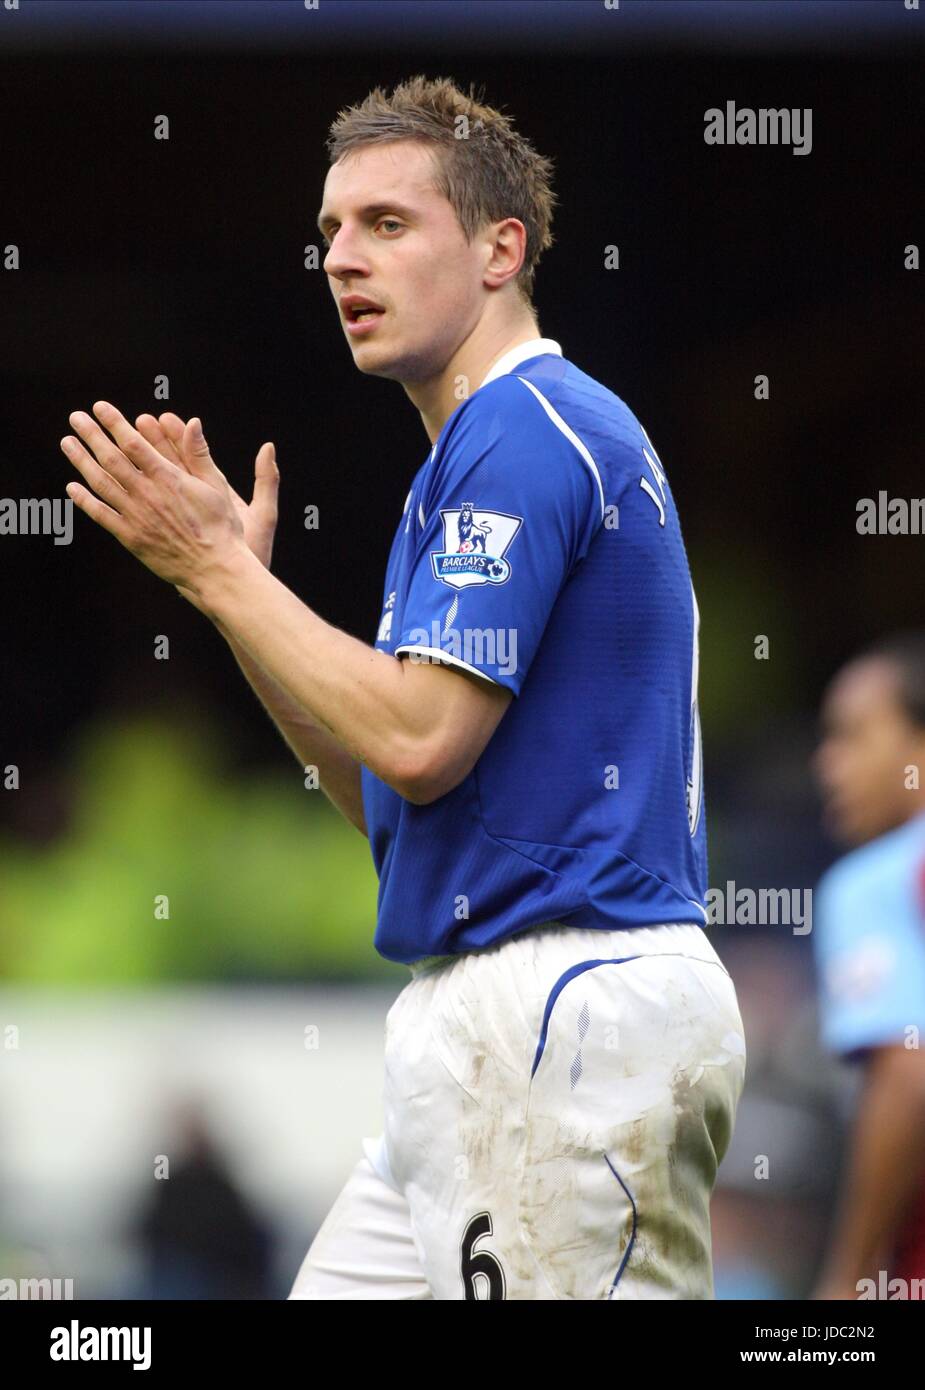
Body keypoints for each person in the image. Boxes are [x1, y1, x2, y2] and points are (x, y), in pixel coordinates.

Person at [60, 75, 745, 1300]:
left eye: (386, 223)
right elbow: (386, 800)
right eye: (329, 231)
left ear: (500, 250)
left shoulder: (529, 428)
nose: (340, 259)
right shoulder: (462, 464)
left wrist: (219, 570)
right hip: (479, 1026)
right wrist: (241, 602)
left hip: (567, 1009)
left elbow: (421, 739)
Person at [810, 632, 925, 1300]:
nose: (826, 764)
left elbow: (908, 1075)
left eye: (851, 736)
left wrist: (846, 1280)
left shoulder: (879, 879)